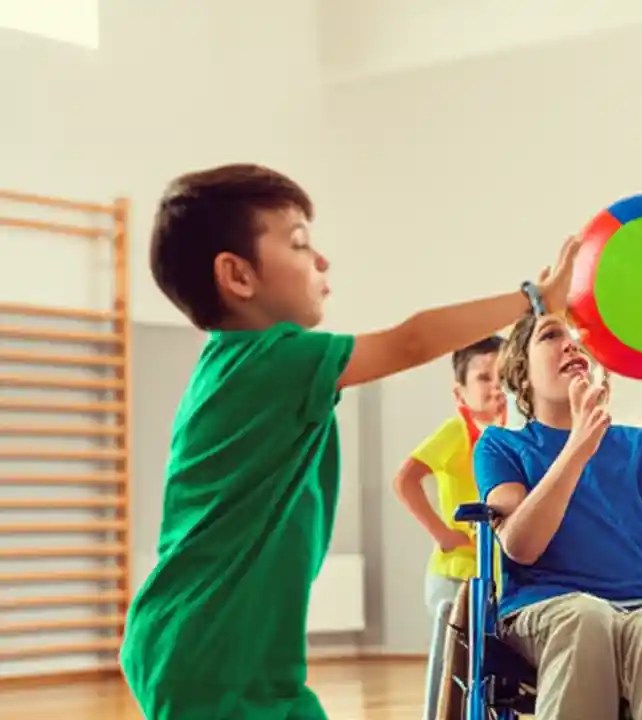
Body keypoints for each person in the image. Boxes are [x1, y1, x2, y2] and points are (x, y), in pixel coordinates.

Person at [119, 163, 579, 720]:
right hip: (210, 648)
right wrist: (535, 299)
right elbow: (410, 340)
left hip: (216, 644)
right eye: (299, 243)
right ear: (238, 276)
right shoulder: (273, 359)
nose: (322, 260)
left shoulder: (241, 367)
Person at [472, 311, 642, 720]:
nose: (572, 343)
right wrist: (578, 445)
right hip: (552, 606)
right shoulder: (503, 446)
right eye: (551, 335)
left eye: (581, 336)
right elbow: (521, 545)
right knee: (586, 618)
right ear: (522, 373)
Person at [390, 335, 505, 719]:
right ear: (461, 392)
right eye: (484, 378)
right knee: (449, 666)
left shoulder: (513, 435)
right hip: (455, 576)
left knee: (490, 668)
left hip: (496, 576)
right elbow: (405, 480)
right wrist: (441, 533)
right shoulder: (457, 432)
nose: (496, 386)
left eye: (503, 375)